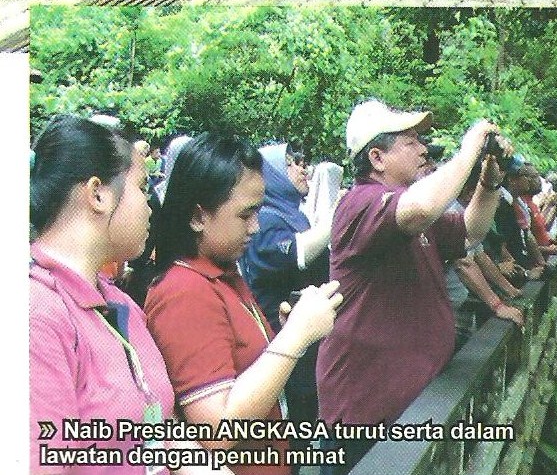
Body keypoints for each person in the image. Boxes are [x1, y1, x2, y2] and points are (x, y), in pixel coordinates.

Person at [316, 104, 503, 468]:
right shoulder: (361, 202)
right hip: (365, 408)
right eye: (411, 142)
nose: (424, 149)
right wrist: (469, 148)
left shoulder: (414, 211)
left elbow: (471, 232)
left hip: (408, 403)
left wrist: (489, 180)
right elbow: (418, 209)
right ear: (377, 157)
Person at [145, 133, 343, 475]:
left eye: (259, 211)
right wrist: (294, 337)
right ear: (197, 217)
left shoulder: (221, 275)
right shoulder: (184, 292)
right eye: (245, 215)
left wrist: (284, 331)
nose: (255, 227)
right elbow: (216, 432)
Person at [30, 116, 176, 475]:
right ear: (98, 194)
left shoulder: (119, 303)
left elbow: (159, 430)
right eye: (142, 187)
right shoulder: (37, 317)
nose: (148, 205)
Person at [238, 143, 330, 434]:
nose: (302, 168)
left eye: (303, 161)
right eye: (292, 163)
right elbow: (296, 255)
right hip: (280, 331)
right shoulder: (265, 218)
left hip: (303, 332)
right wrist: (336, 217)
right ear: (273, 174)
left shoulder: (290, 213)